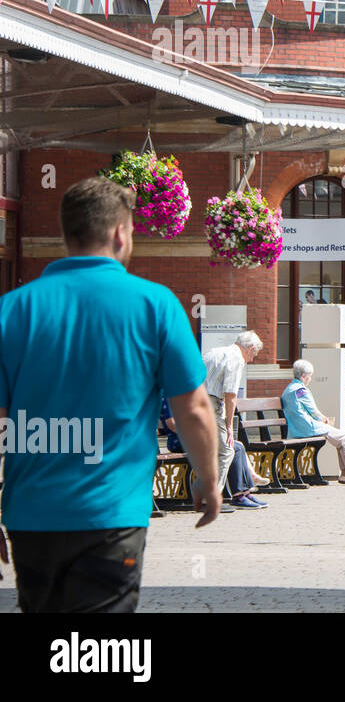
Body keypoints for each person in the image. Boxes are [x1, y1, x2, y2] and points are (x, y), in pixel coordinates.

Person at [0, 176, 221, 612]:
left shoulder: (13, 309)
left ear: (68, 233)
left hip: (31, 516)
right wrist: (208, 479)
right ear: (121, 233)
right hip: (111, 512)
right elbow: (193, 407)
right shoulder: (154, 305)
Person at [161, 396, 268, 510]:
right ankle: (238, 495)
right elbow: (171, 423)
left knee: (236, 446)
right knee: (231, 448)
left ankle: (244, 494)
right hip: (182, 441)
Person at [281, 360, 345, 485]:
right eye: (309, 376)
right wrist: (325, 420)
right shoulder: (301, 390)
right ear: (303, 376)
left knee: (341, 440)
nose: (310, 379)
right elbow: (314, 412)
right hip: (308, 428)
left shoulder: (288, 389)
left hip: (295, 429)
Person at [203, 330, 263, 495]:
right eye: (254, 354)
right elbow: (230, 395)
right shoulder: (237, 359)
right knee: (227, 450)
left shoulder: (213, 352)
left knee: (215, 449)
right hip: (210, 405)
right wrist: (229, 425)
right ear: (250, 348)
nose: (251, 359)